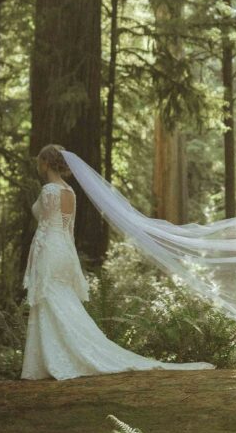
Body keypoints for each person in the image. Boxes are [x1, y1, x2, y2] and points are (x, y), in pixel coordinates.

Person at [21, 144, 212, 380]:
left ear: (46, 163)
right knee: (62, 299)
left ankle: (56, 359)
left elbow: (45, 227)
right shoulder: (70, 191)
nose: (38, 166)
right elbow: (67, 229)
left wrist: (37, 255)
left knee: (50, 297)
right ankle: (62, 354)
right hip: (64, 249)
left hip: (50, 247)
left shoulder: (50, 190)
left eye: (40, 161)